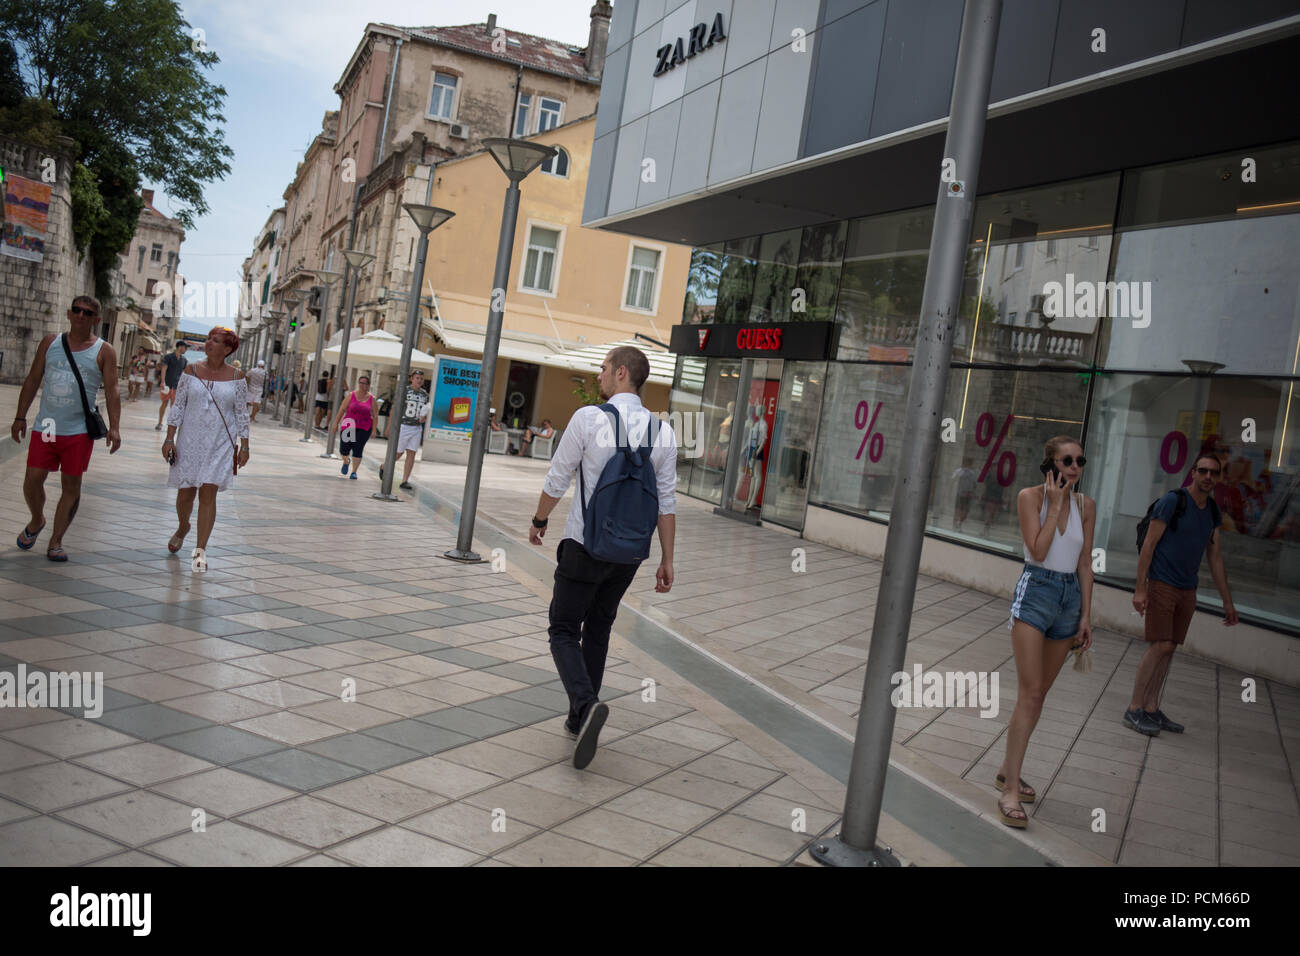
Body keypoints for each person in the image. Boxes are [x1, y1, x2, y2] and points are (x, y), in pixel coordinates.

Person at [528, 346, 677, 770]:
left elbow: (557, 476)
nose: (600, 375)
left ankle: (586, 703)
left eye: (604, 368)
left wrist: (540, 519)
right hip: (629, 553)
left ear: (622, 373)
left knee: (561, 628)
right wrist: (667, 558)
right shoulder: (663, 432)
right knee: (598, 629)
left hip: (584, 545)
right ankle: (580, 720)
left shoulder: (589, 418)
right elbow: (666, 502)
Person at [999, 436, 1095, 828]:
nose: (1074, 467)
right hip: (1036, 589)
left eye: (1079, 461)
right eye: (1067, 461)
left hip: (1069, 597)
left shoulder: (1086, 505)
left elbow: (1085, 562)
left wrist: (1087, 615)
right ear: (1051, 465)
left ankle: (1008, 770)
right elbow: (1038, 550)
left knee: (1041, 697)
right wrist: (1055, 505)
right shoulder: (1030, 497)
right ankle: (1008, 790)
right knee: (1031, 692)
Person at [1127, 454, 1238, 736]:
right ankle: (1134, 708)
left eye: (1214, 472)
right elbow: (1149, 546)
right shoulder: (1172, 502)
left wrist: (1227, 601)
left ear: (1218, 477)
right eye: (1203, 471)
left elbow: (1215, 558)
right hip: (1162, 582)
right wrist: (1141, 588)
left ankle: (1151, 708)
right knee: (1160, 645)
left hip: (1188, 589)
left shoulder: (1212, 512)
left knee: (1171, 646)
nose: (1208, 477)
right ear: (1193, 472)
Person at [11, 296, 123, 561]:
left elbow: (113, 389)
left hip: (79, 430)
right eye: (77, 311)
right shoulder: (51, 343)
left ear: (96, 319)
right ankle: (37, 519)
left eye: (88, 313)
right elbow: (33, 378)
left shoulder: (104, 351)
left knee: (71, 485)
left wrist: (115, 428)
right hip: (47, 425)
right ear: (69, 314)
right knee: (33, 479)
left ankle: (56, 541)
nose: (81, 316)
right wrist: (19, 417)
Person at [161, 326, 250, 572]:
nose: (209, 343)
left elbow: (241, 412)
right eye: (209, 339)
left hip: (220, 441)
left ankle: (200, 551)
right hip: (190, 439)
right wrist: (169, 438)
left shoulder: (237, 377)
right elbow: (178, 406)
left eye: (216, 340)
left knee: (208, 493)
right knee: (185, 493)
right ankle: (182, 526)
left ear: (228, 349)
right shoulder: (191, 370)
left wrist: (245, 445)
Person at [380, 369, 430, 491]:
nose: (419, 380)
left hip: (416, 427)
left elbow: (426, 410)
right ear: (412, 379)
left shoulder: (424, 394)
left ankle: (405, 480)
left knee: (412, 453)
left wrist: (424, 417)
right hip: (404, 425)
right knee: (398, 453)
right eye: (417, 378)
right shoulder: (405, 391)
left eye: (421, 379)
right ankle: (384, 467)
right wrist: (389, 426)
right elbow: (395, 408)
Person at [331, 375, 376, 479]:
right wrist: (335, 423)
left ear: (368, 385)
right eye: (360, 382)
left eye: (364, 383)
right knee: (344, 449)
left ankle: (354, 472)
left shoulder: (372, 399)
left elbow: (375, 415)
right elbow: (342, 409)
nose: (362, 385)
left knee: (358, 449)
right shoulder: (351, 395)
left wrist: (374, 430)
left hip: (364, 427)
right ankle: (346, 461)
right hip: (349, 425)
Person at [156, 340, 188, 431]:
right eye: (185, 348)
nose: (186, 350)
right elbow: (164, 369)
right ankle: (160, 422)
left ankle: (172, 424)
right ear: (180, 347)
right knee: (164, 403)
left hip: (177, 387)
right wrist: (162, 382)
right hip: (167, 384)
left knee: (174, 406)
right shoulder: (168, 357)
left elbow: (183, 374)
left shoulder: (184, 360)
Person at [952, 458, 977, 531]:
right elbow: (975, 485)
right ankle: (958, 524)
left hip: (963, 493)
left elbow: (953, 480)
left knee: (960, 509)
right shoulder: (969, 472)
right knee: (962, 509)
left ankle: (957, 524)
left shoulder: (960, 471)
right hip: (964, 493)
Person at [244, 359, 268, 423]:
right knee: (256, 403)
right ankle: (252, 418)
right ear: (263, 366)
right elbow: (267, 381)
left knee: (247, 401)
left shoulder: (252, 370)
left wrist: (247, 385)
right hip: (259, 389)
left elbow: (246, 377)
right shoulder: (265, 372)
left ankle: (244, 416)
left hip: (251, 388)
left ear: (258, 364)